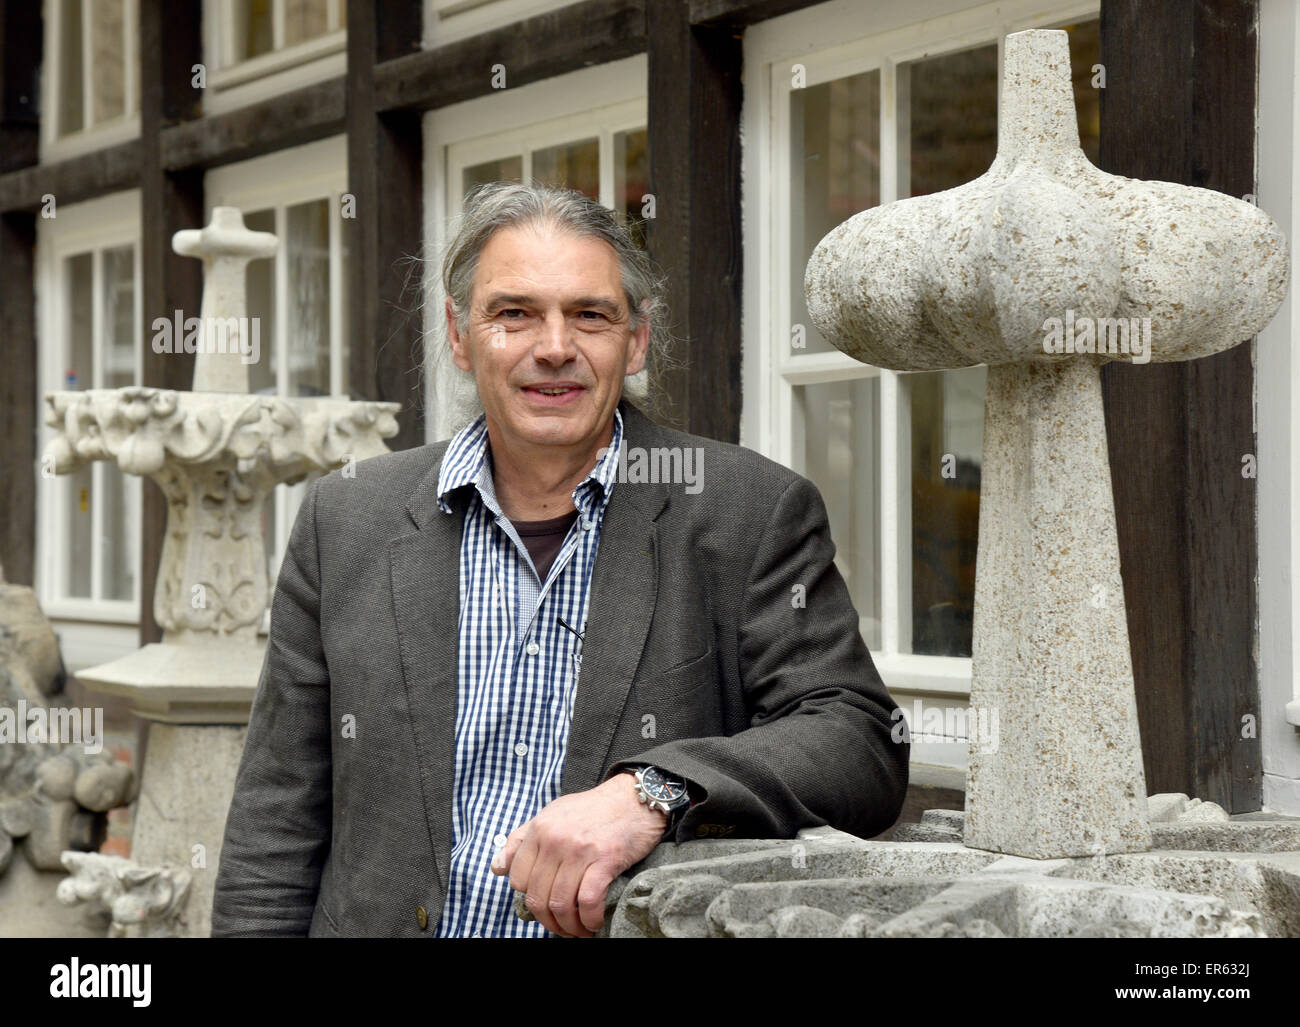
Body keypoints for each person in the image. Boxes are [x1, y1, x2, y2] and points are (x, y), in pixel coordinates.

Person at [210, 182, 908, 938]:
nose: (553, 346)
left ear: (635, 339)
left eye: (590, 314)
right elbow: (276, 821)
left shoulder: (746, 512)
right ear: (458, 332)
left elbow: (859, 737)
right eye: (514, 313)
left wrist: (652, 791)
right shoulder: (346, 518)